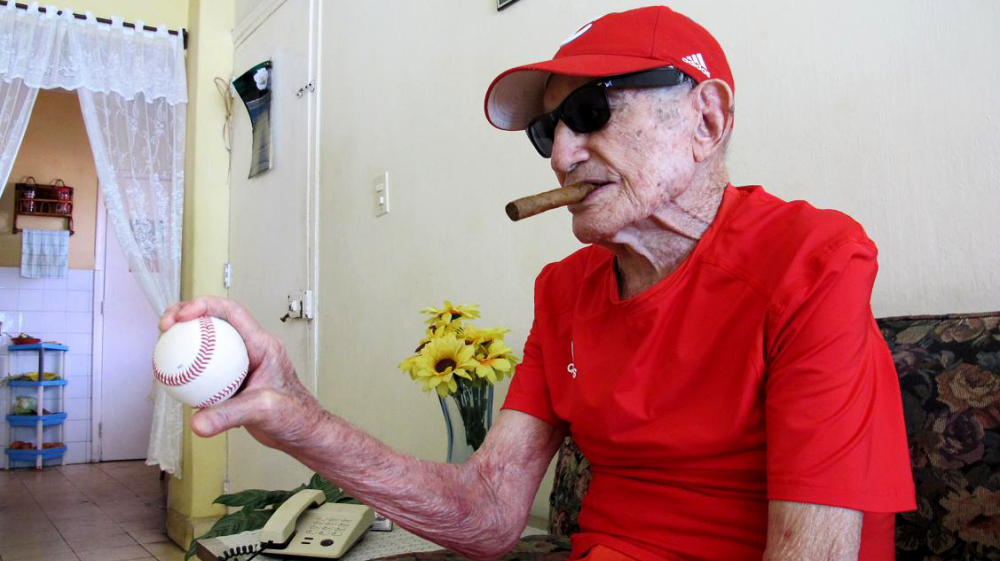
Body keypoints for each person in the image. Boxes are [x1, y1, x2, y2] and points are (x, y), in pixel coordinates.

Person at [161, 6, 915, 561]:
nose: (560, 155)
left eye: (590, 112)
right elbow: (487, 511)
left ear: (707, 117)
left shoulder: (813, 262)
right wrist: (299, 418)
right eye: (544, 131)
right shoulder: (565, 292)